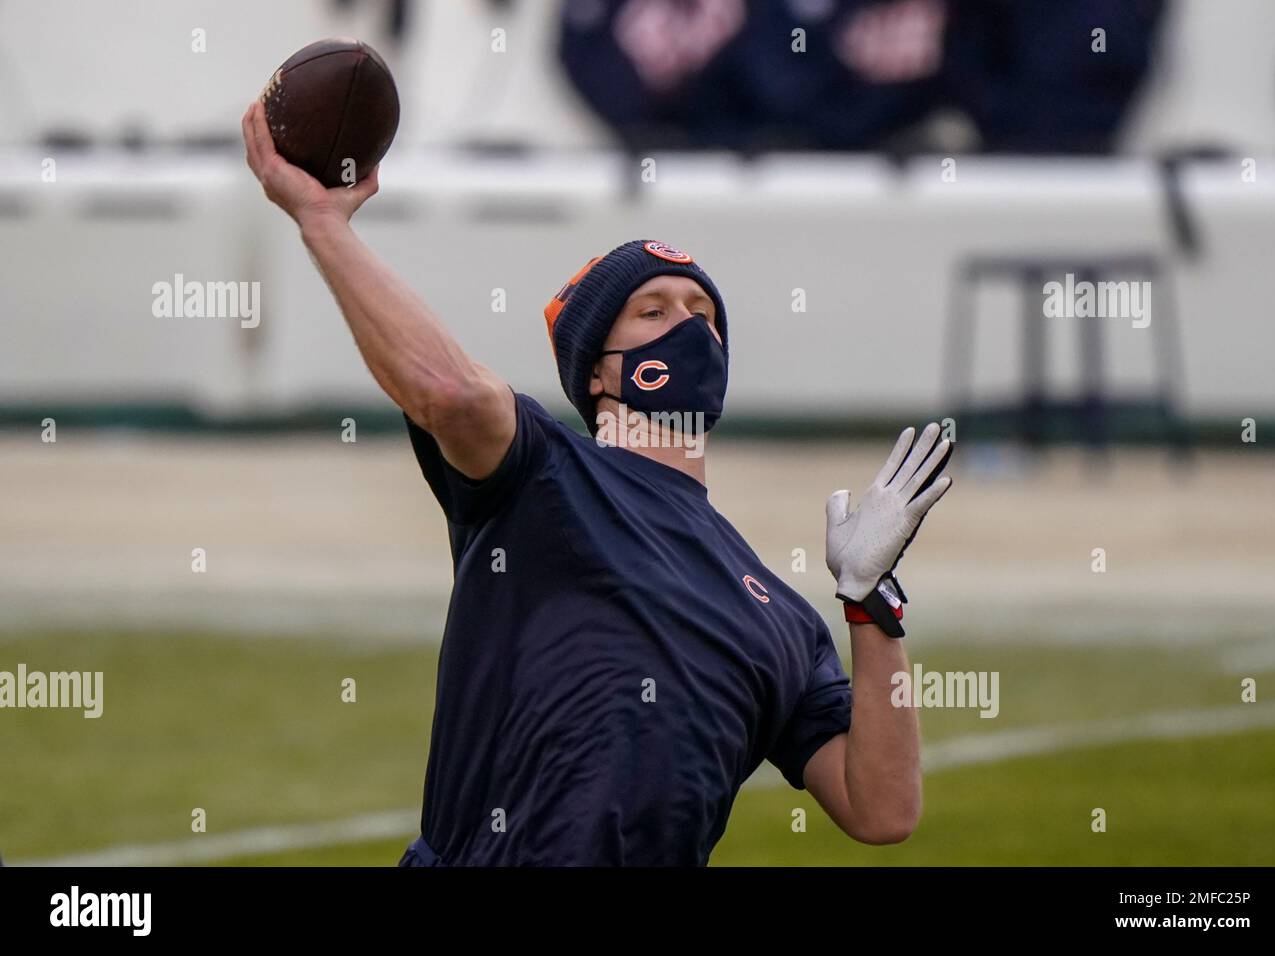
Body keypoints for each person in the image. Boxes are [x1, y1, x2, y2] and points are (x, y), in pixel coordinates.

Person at [241, 99, 953, 865]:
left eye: (704, 314)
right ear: (599, 370)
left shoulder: (780, 616)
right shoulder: (544, 473)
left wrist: (872, 608)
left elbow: (883, 809)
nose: (689, 325)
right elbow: (446, 392)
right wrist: (324, 224)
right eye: (653, 310)